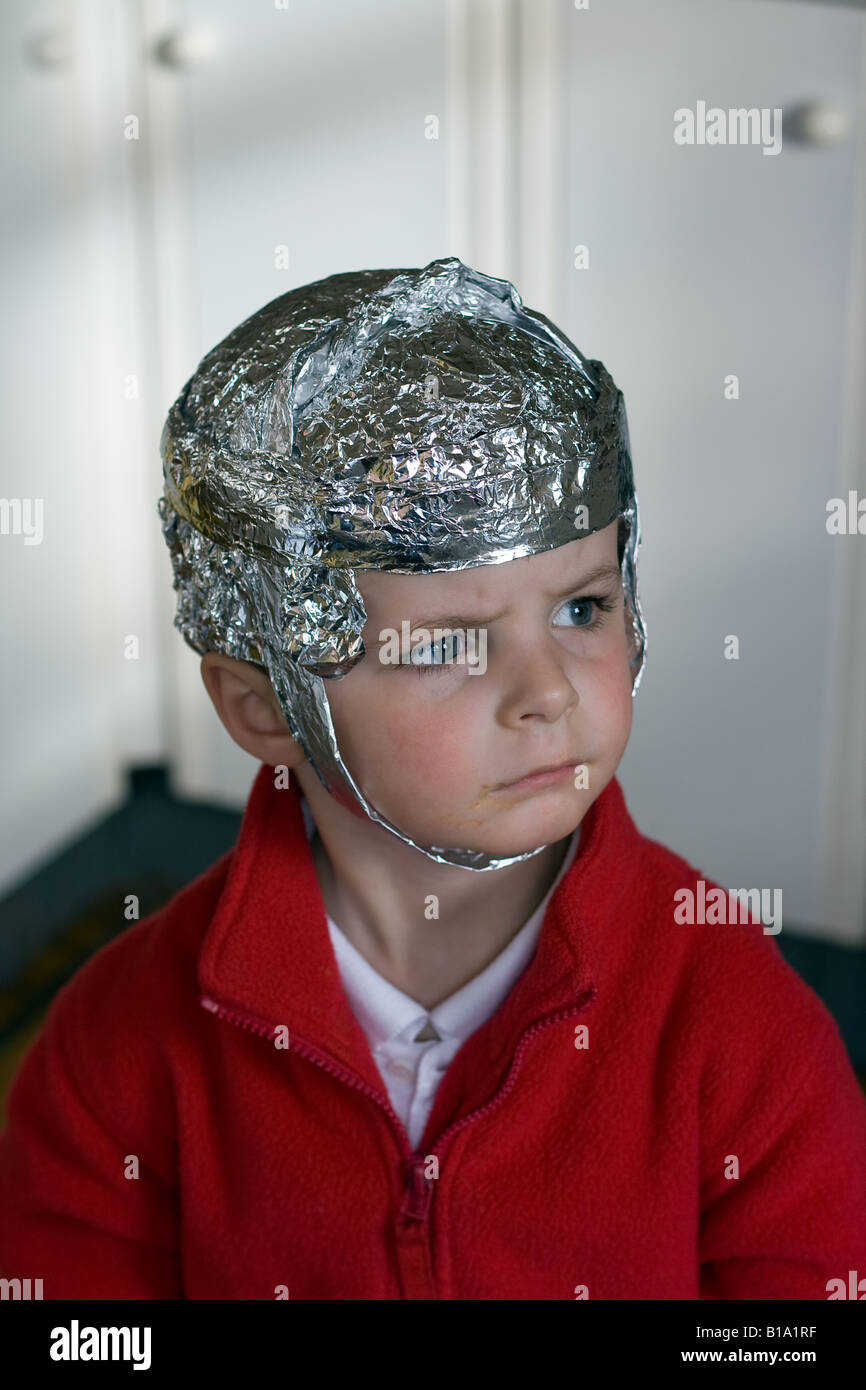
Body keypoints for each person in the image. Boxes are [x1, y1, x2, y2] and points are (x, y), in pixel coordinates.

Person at [0, 258, 864, 1300]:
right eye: (450, 643)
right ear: (265, 704)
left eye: (580, 607)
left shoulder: (731, 1023)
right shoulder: (123, 1046)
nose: (545, 691)